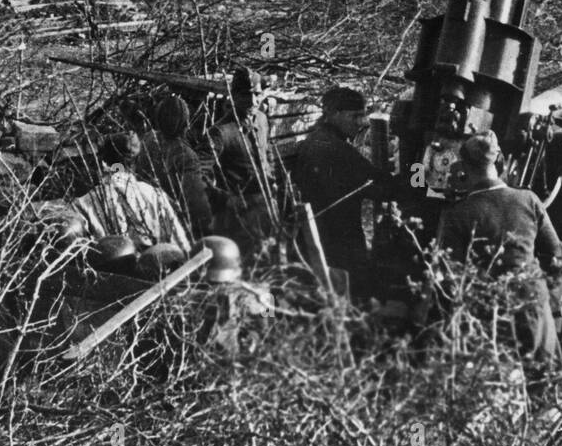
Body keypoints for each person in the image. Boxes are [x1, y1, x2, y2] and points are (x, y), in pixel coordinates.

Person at [436, 132, 562, 368]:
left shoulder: (458, 213)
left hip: (491, 317)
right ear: (500, 162)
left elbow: (449, 276)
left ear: (463, 167)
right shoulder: (530, 199)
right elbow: (556, 257)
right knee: (544, 384)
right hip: (533, 306)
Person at [294, 86, 390, 296]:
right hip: (338, 243)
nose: (361, 122)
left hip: (320, 235)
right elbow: (387, 188)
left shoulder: (317, 141)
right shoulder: (336, 150)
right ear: (334, 114)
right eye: (355, 116)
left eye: (363, 115)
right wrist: (417, 170)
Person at [207, 67, 283, 258]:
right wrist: (225, 199)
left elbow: (268, 151)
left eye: (257, 94)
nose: (252, 101)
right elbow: (198, 173)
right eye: (245, 95)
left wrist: (272, 178)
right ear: (233, 96)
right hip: (239, 215)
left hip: (266, 204)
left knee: (271, 257)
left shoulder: (262, 119)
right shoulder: (221, 132)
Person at [74, 132, 191, 253]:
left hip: (110, 270)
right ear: (135, 162)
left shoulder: (83, 203)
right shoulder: (154, 194)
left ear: (104, 164)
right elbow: (180, 242)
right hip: (158, 267)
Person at [138, 94, 213, 237]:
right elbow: (196, 205)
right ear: (186, 123)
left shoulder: (149, 138)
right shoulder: (186, 156)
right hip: (173, 224)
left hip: (146, 213)